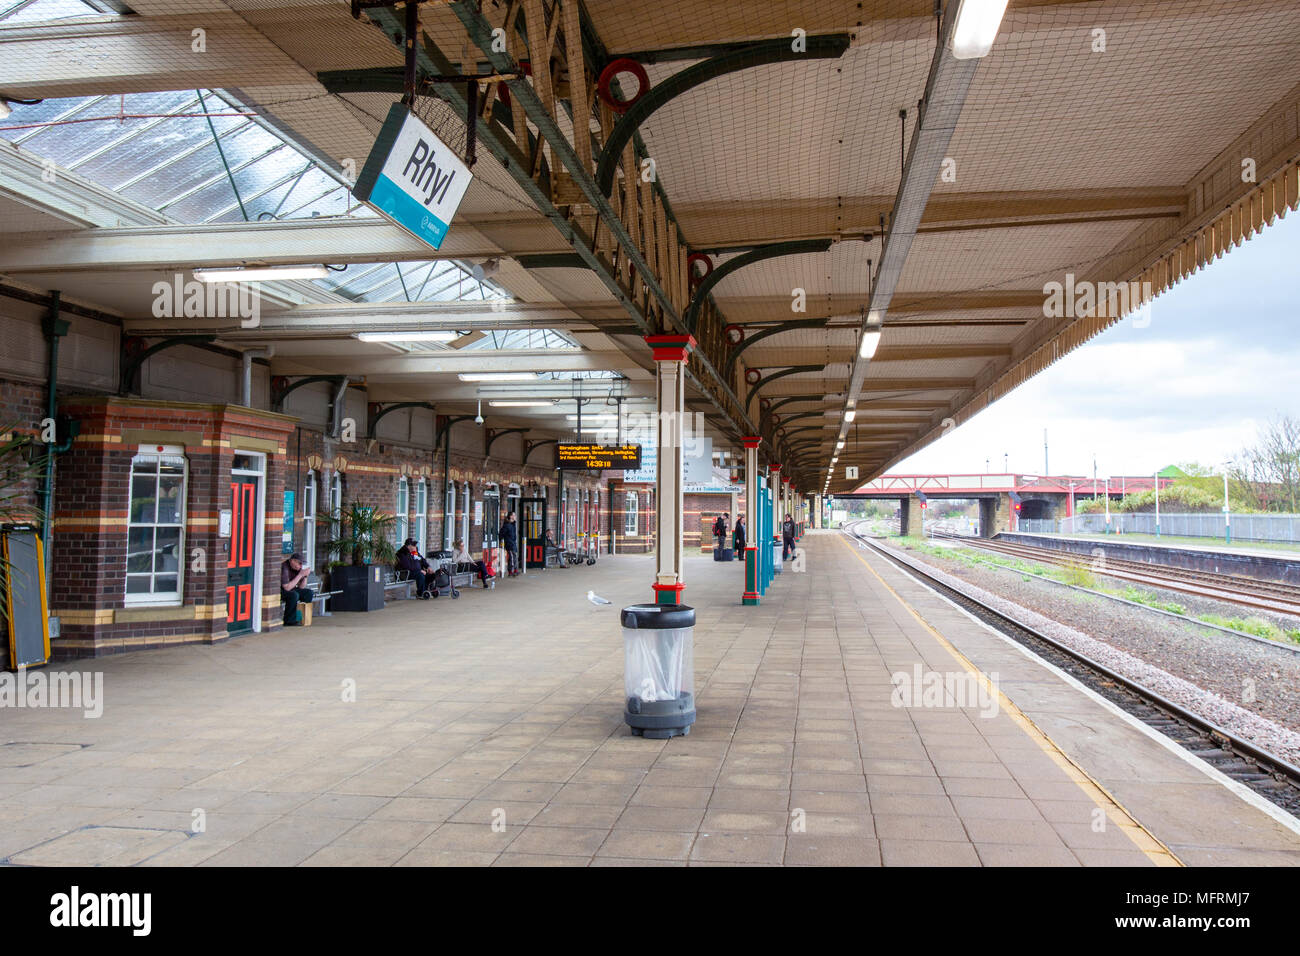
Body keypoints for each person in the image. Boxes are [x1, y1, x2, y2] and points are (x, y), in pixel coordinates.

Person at [280, 553, 314, 625]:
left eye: (302, 564)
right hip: (280, 591)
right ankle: (289, 621)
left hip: (290, 589)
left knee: (308, 593)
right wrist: (300, 575)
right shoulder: (284, 567)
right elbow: (286, 588)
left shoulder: (297, 568)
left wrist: (305, 576)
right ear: (292, 561)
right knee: (294, 595)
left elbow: (301, 587)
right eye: (300, 563)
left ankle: (301, 617)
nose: (301, 566)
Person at [500, 511, 519, 576]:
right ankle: (511, 571)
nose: (515, 516)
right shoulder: (507, 525)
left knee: (514, 557)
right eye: (514, 515)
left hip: (513, 543)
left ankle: (515, 570)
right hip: (509, 543)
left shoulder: (513, 524)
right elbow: (501, 534)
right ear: (511, 516)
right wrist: (503, 541)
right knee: (512, 557)